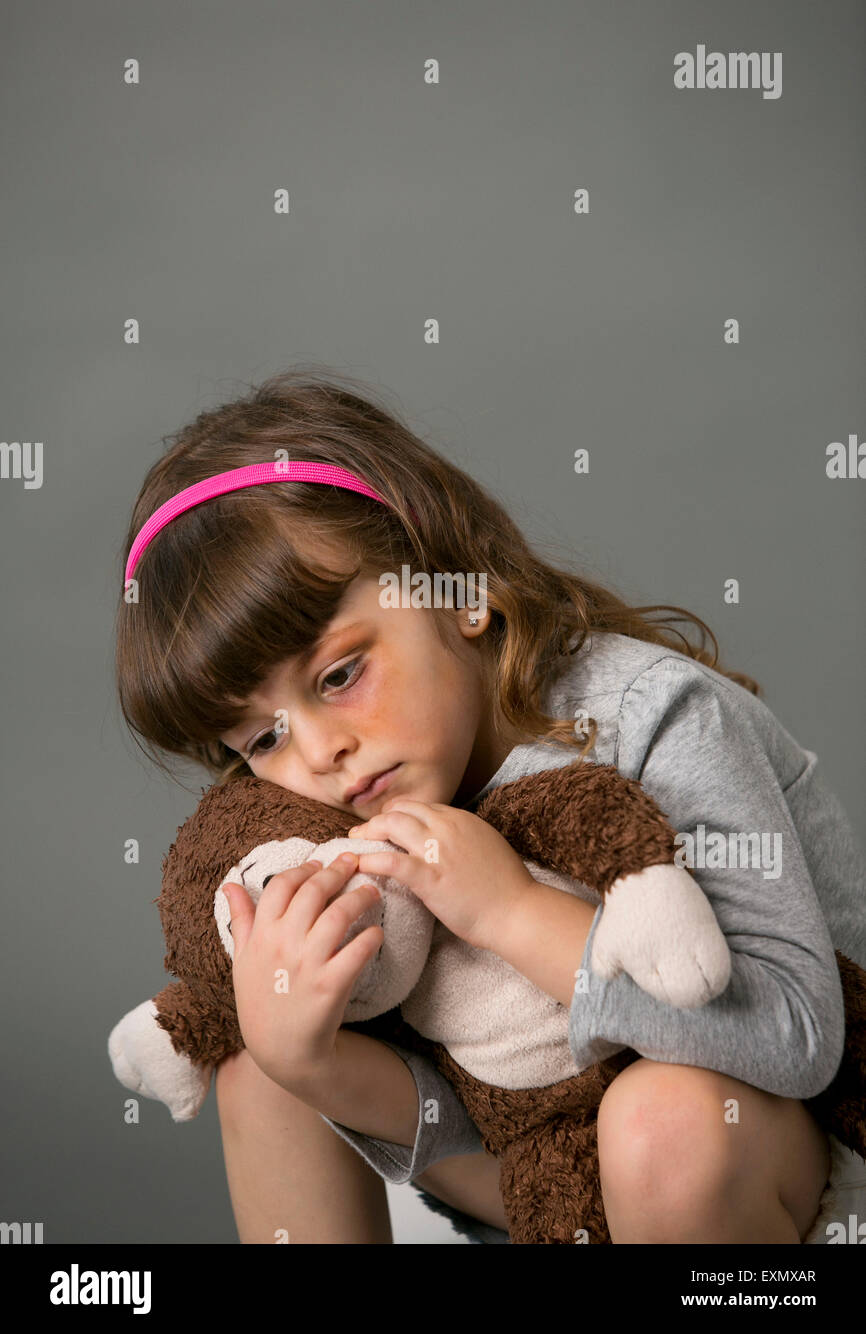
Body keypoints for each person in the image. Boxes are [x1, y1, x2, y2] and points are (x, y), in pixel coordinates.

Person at [114, 365, 866, 1244]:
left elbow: (801, 1039)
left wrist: (513, 912)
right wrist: (308, 1060)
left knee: (661, 1121)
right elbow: (468, 1108)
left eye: (342, 674)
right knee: (259, 1061)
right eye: (264, 741)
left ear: (460, 592)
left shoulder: (653, 716)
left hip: (767, 1156)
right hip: (539, 1166)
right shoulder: (333, 813)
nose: (320, 754)